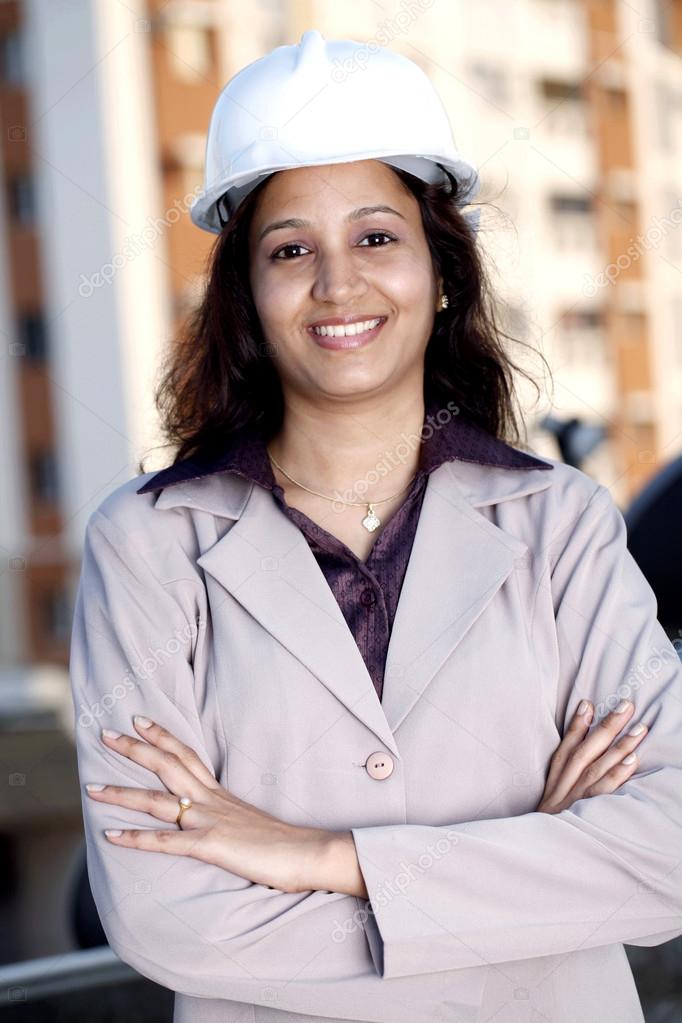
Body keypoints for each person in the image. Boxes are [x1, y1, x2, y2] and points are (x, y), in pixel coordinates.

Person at [69, 29, 682, 1023]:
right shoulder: (145, 548)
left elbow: (667, 853)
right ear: (247, 293)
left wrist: (324, 859)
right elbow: (165, 915)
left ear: (440, 273)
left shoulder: (559, 524)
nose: (337, 285)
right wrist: (540, 865)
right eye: (289, 249)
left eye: (376, 237)